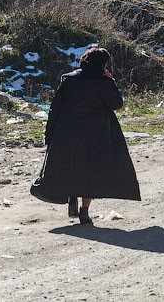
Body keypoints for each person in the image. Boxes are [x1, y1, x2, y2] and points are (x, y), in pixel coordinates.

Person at [41, 47, 141, 225]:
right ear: (103, 65)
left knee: (73, 165)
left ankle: (72, 196)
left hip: (68, 131)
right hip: (95, 134)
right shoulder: (103, 82)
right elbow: (116, 104)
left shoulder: (68, 79)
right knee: (91, 172)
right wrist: (111, 81)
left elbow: (55, 107)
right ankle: (84, 210)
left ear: (85, 59)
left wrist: (50, 132)